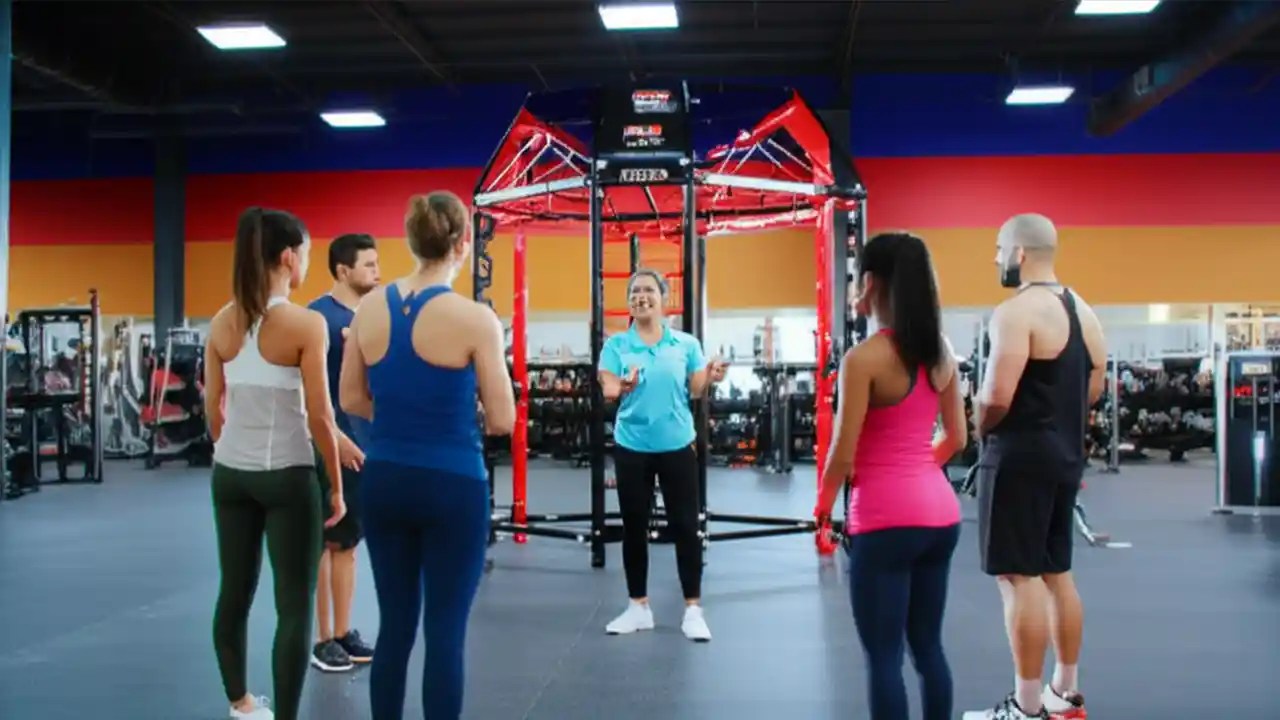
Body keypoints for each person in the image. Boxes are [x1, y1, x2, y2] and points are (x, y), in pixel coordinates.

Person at [339, 191, 515, 720]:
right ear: (464, 244)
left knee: (395, 627)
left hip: (386, 480)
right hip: (451, 486)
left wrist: (401, 417)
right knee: (444, 631)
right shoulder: (477, 319)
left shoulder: (369, 308)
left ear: (412, 242)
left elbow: (350, 399)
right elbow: (502, 419)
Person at [205, 207, 354, 720]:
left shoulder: (221, 323)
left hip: (230, 476)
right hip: (288, 476)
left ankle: (242, 706)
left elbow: (213, 411)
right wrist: (336, 487)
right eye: (306, 254)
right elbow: (320, 415)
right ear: (289, 257)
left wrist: (235, 453)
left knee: (233, 592)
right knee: (293, 603)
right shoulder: (306, 323)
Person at [815, 232, 966, 720]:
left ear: (872, 283)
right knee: (928, 648)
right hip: (941, 517)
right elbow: (957, 438)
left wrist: (821, 510)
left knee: (883, 658)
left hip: (884, 523)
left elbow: (842, 453)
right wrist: (916, 474)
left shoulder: (863, 360)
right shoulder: (941, 352)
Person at [964, 213, 1105, 720]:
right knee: (1056, 573)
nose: (995, 257)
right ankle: (1064, 694)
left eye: (999, 248)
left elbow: (996, 397)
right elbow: (1093, 388)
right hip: (1064, 455)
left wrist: (976, 425)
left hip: (1019, 460)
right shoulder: (1083, 311)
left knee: (1017, 578)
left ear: (1019, 254)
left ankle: (1025, 708)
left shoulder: (1016, 312)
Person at [597, 269, 727, 642]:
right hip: (632, 447)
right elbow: (607, 386)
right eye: (635, 291)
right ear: (629, 302)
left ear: (663, 299)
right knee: (634, 528)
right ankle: (638, 607)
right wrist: (621, 386)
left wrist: (711, 375)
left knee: (685, 526)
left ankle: (693, 610)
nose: (641, 296)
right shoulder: (617, 345)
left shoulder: (685, 344)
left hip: (677, 445)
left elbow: (696, 388)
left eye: (649, 290)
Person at [306, 232, 381, 673]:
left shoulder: (372, 317)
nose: (377, 272)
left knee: (349, 544)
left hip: (367, 444)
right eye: (369, 265)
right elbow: (306, 393)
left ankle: (343, 632)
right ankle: (322, 639)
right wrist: (334, 436)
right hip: (328, 444)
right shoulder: (317, 318)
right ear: (342, 270)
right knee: (324, 541)